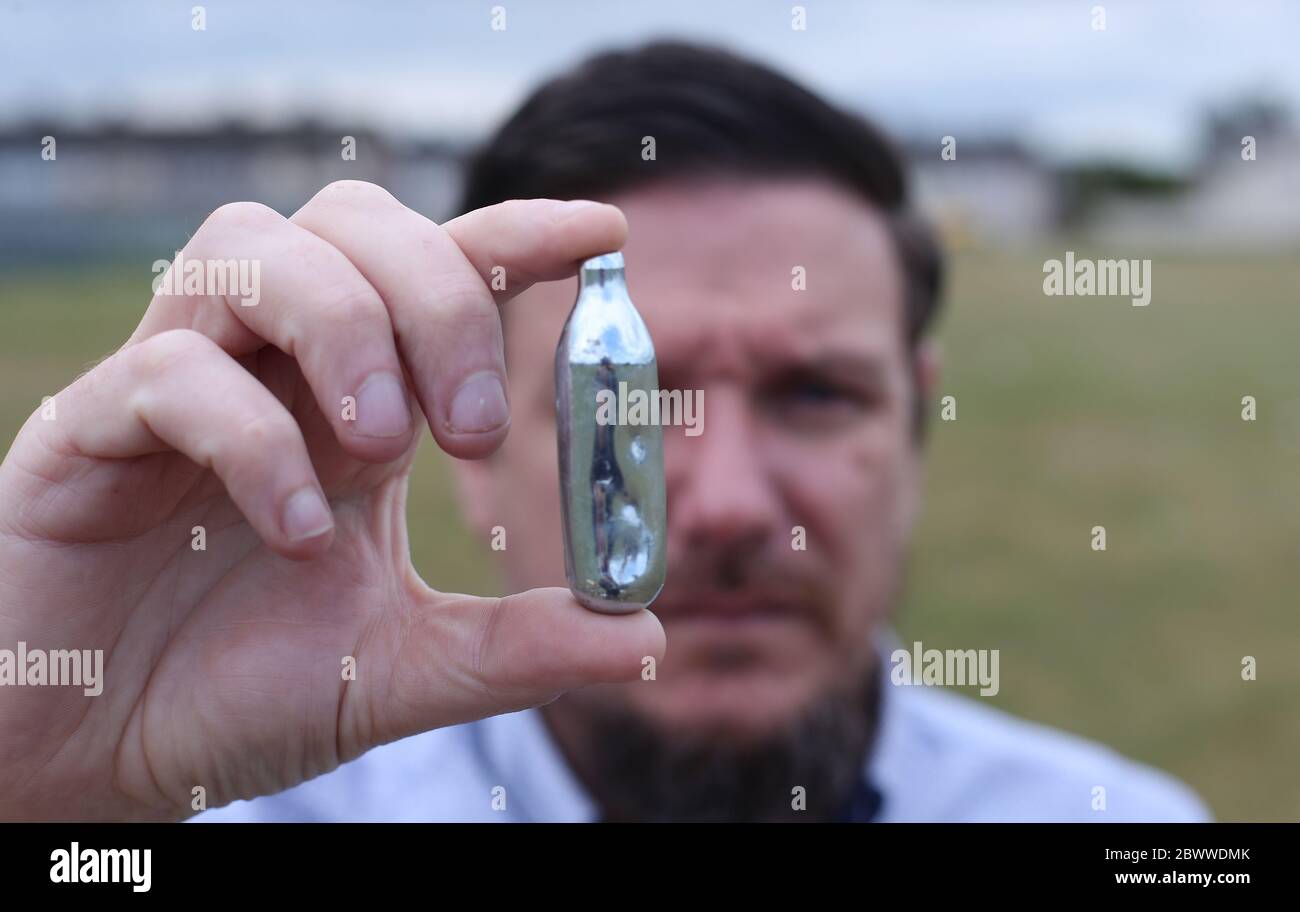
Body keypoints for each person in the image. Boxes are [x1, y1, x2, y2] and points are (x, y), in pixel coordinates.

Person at [0, 41, 1208, 822]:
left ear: (918, 423)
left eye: (816, 395)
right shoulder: (206, 811)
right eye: (614, 409)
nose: (728, 505)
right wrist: (47, 779)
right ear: (466, 457)